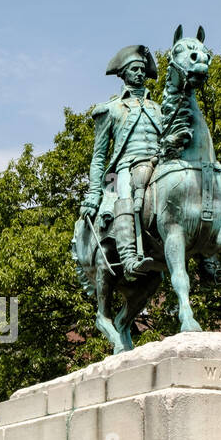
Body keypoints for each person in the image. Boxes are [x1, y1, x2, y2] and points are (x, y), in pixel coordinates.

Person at [83, 44, 164, 281]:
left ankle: (206, 258)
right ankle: (128, 257)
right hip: (124, 169)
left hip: (158, 162)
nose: (140, 74)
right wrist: (93, 193)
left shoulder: (160, 110)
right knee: (126, 193)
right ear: (124, 73)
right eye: (135, 69)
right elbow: (99, 156)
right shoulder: (110, 109)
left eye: (142, 70)